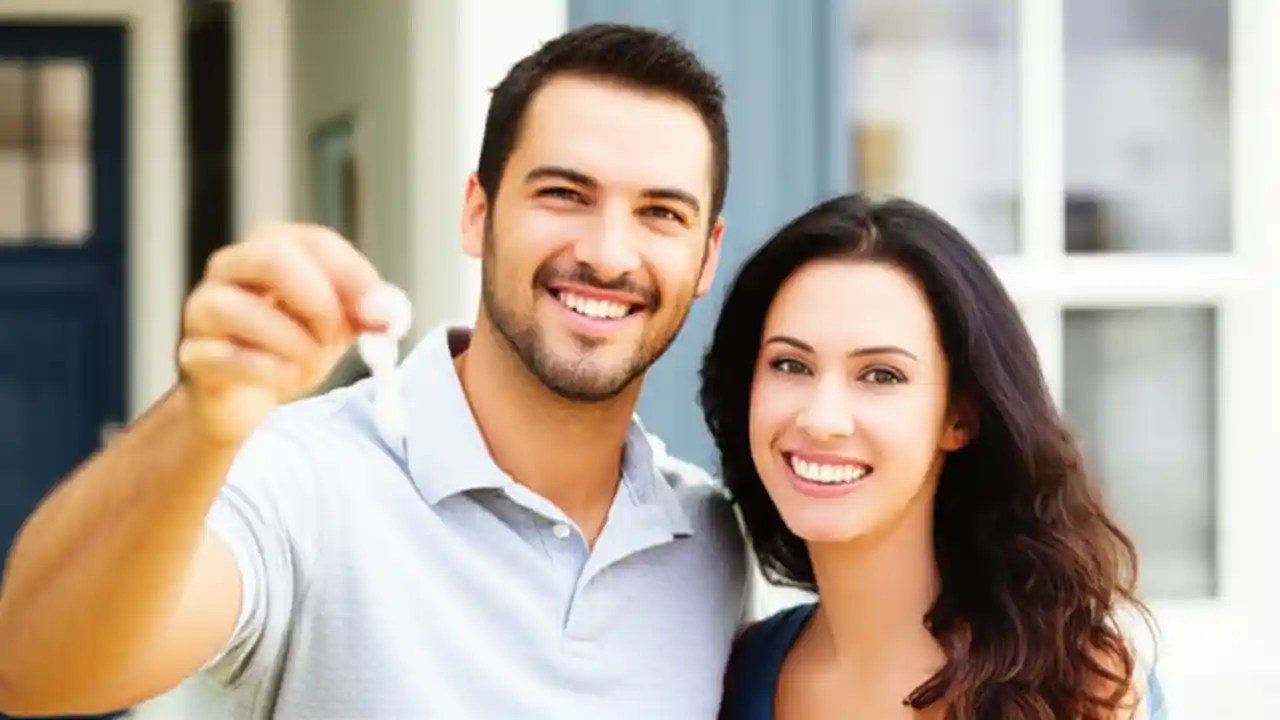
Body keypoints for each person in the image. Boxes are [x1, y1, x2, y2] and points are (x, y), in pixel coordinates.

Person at [0, 23, 749, 719]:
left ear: (707, 256)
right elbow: (36, 672)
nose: (610, 253)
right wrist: (202, 414)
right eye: (564, 194)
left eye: (661, 213)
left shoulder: (712, 541)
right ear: (477, 214)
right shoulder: (304, 478)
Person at [703, 193, 1167, 719]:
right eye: (790, 365)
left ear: (959, 417)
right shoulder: (733, 675)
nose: (822, 418)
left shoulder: (1082, 687)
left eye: (881, 375)